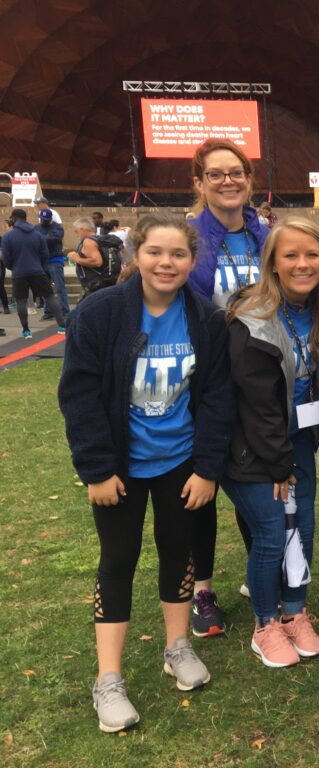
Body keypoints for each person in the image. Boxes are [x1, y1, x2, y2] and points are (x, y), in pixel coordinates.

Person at [58, 214, 234, 732]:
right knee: (119, 558)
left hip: (179, 462)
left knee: (179, 551)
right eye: (155, 252)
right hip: (120, 467)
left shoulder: (205, 318)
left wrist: (207, 468)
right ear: (136, 254)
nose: (166, 263)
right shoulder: (101, 312)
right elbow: (79, 395)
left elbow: (217, 397)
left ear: (192, 260)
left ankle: (177, 647)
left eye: (178, 254)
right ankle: (108, 679)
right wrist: (96, 468)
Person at [222, 218, 319, 668]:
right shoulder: (252, 319)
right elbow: (257, 404)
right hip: (252, 448)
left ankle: (295, 613)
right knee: (271, 531)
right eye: (291, 255)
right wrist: (276, 464)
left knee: (303, 526)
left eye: (312, 254)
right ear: (272, 263)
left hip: (296, 439)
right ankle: (265, 623)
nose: (302, 264)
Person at [186, 138, 271, 636]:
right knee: (202, 485)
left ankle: (257, 572)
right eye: (215, 174)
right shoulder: (189, 237)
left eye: (236, 172)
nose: (227, 181)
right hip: (204, 380)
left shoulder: (264, 234)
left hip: (256, 378)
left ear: (249, 180)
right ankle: (202, 590)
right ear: (199, 183)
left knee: (253, 481)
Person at [0, 208, 66, 338]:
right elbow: (45, 253)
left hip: (19, 272)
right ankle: (62, 325)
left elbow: (6, 258)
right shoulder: (37, 234)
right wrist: (38, 265)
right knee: (49, 296)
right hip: (37, 270)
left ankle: (26, 330)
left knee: (21, 301)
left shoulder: (8, 236)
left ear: (14, 218)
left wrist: (13, 267)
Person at [36, 208, 69, 319]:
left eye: (46, 219)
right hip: (42, 261)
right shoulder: (36, 228)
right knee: (45, 288)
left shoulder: (57, 227)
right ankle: (48, 311)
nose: (43, 221)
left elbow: (52, 239)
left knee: (59, 287)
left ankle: (64, 310)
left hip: (55, 260)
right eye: (42, 219)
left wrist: (40, 239)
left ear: (50, 218)